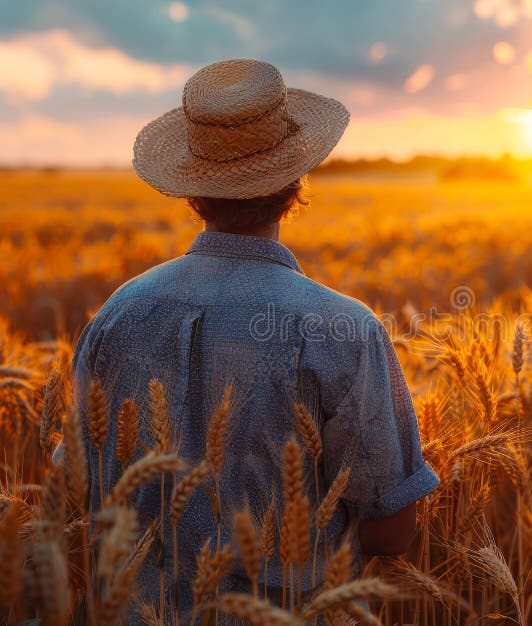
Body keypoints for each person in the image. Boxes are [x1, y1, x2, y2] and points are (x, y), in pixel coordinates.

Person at [69, 59, 439, 617]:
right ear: (295, 182)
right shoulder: (344, 329)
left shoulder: (117, 313)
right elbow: (391, 533)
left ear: (193, 191)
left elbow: (76, 483)